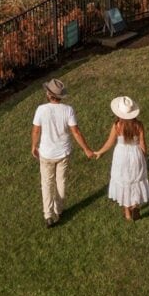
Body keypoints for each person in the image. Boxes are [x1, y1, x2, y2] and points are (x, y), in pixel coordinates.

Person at [31, 78, 94, 227]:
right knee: (61, 182)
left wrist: (34, 146)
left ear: (48, 94)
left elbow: (36, 130)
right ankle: (59, 209)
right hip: (63, 153)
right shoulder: (68, 110)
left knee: (47, 184)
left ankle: (48, 215)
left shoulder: (41, 109)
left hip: (46, 153)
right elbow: (76, 132)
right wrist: (86, 149)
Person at [93, 95, 149, 221]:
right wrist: (144, 158)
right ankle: (135, 204)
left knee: (123, 181)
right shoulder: (139, 125)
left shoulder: (117, 126)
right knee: (136, 179)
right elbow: (142, 143)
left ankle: (127, 213)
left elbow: (109, 142)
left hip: (121, 156)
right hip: (136, 154)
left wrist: (100, 152)